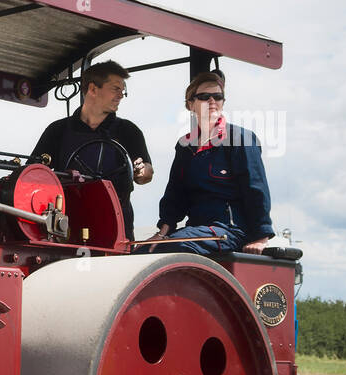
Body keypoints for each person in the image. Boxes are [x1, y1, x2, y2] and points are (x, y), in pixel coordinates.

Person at [143, 72, 274, 254]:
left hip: (229, 230)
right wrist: (162, 233)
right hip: (197, 231)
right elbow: (175, 194)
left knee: (177, 245)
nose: (212, 101)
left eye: (218, 97)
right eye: (204, 97)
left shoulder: (240, 139)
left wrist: (261, 238)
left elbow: (256, 189)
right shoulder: (185, 145)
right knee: (144, 251)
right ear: (191, 104)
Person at [28, 60, 153, 237]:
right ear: (93, 89)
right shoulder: (57, 131)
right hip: (67, 225)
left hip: (116, 225)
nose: (121, 95)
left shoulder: (129, 131)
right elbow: (34, 174)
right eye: (116, 88)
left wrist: (143, 171)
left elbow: (146, 174)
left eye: (123, 90)